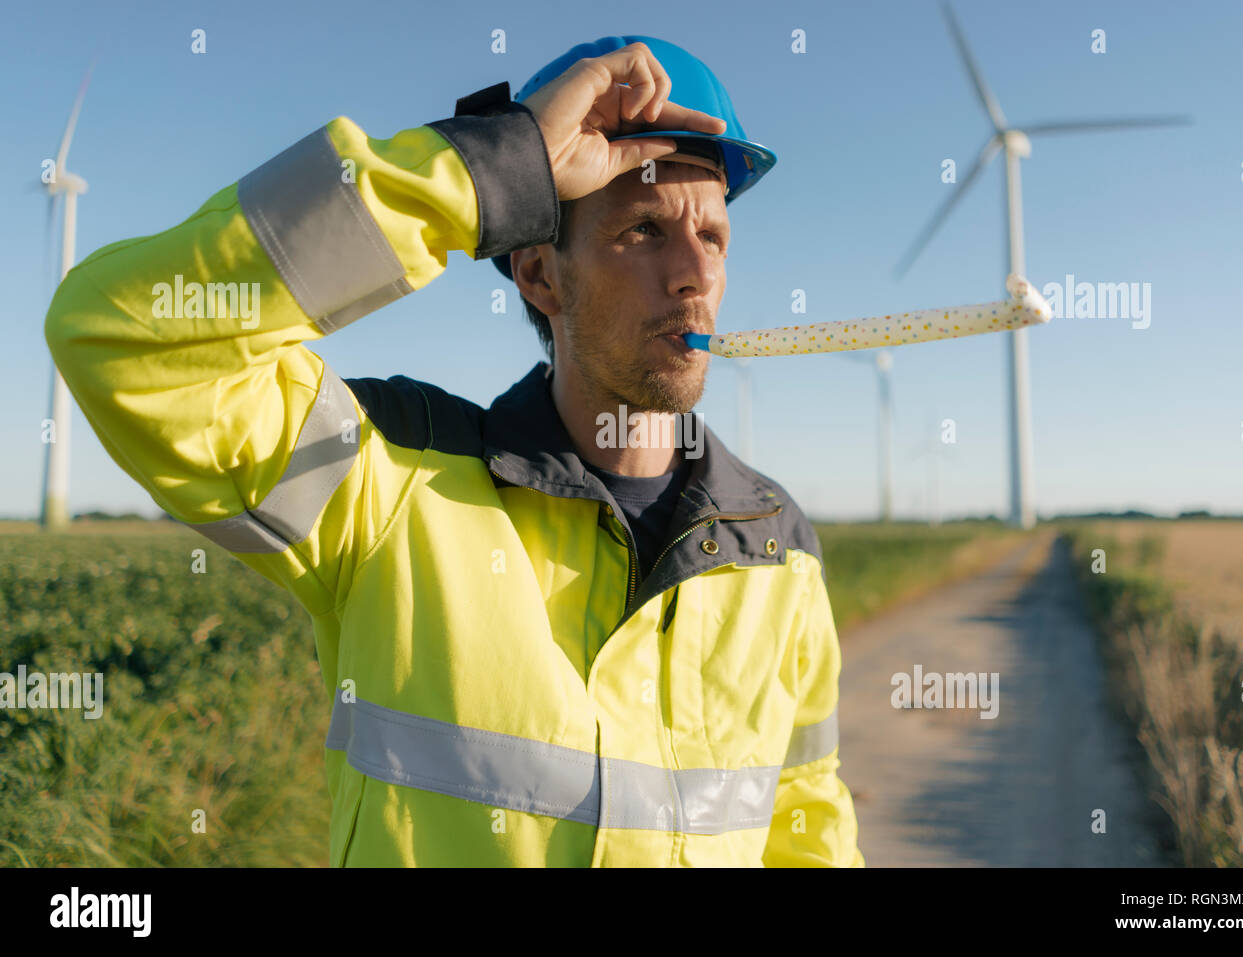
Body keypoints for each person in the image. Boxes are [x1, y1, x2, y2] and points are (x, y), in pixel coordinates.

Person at [45, 35, 864, 867]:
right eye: (645, 230)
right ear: (540, 276)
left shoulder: (776, 546)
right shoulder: (390, 474)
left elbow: (807, 825)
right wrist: (487, 173)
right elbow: (122, 337)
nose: (695, 274)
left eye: (714, 238)